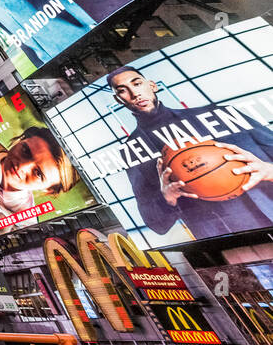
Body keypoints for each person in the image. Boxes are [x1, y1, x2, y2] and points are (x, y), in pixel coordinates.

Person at [106, 66, 273, 239]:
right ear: (118, 100)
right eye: (123, 91)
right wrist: (166, 199)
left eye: (137, 84)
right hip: (230, 243)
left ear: (152, 86)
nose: (135, 94)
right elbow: (155, 224)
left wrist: (268, 170)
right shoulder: (133, 149)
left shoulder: (217, 113)